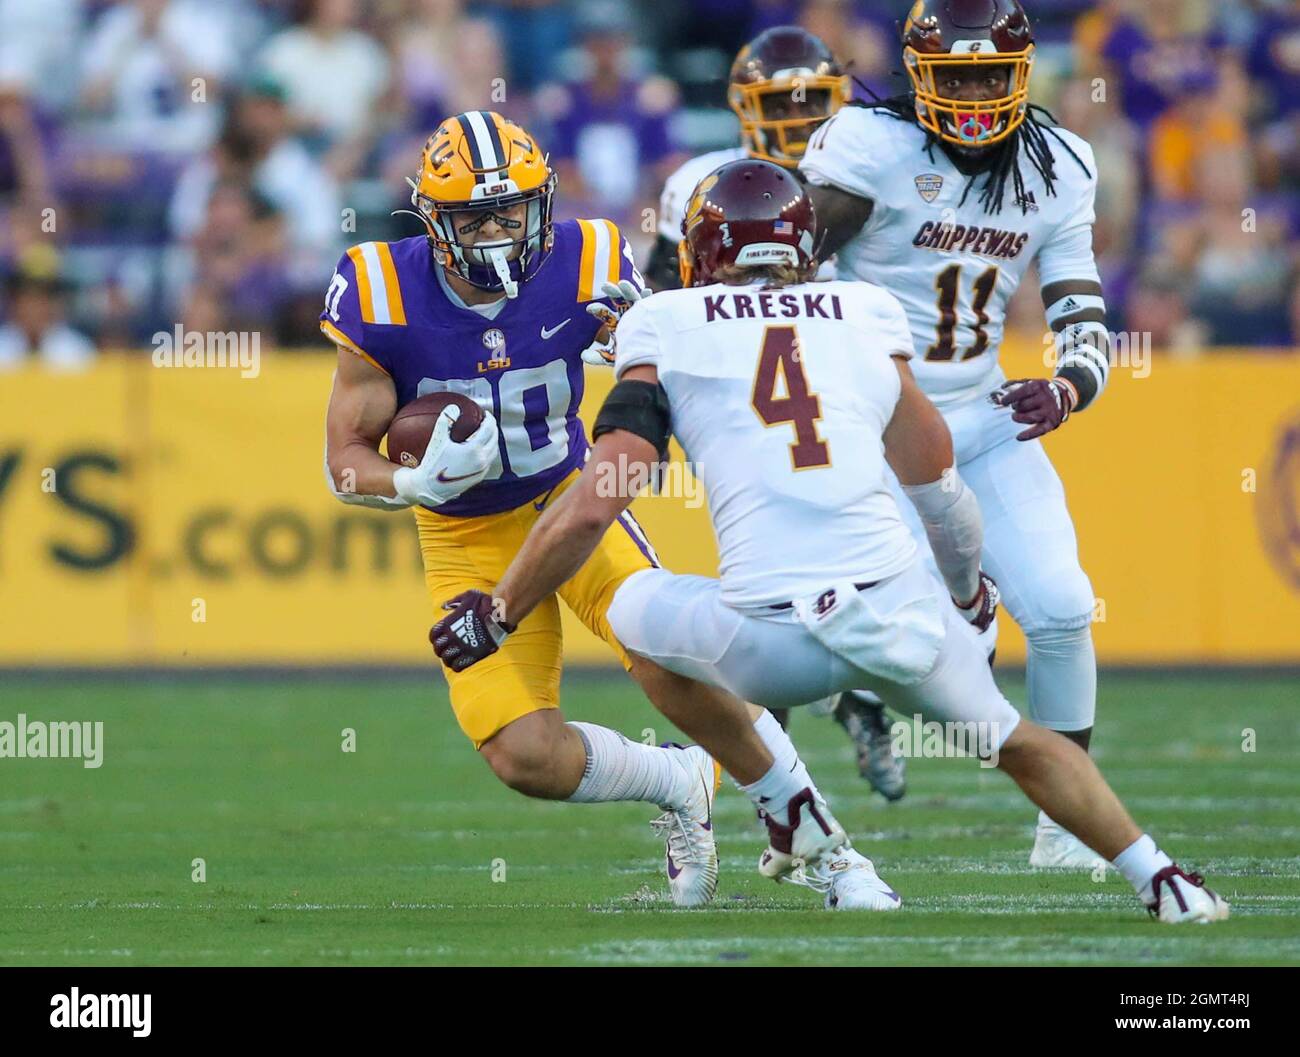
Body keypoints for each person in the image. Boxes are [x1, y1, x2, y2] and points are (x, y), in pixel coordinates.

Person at [433, 158, 1229, 925]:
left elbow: (595, 502)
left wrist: (499, 614)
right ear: (808, 248)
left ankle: (789, 805)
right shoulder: (864, 312)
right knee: (1020, 743)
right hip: (900, 620)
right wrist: (967, 598)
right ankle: (1162, 879)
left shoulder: (664, 321)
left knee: (640, 621)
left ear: (701, 255)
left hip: (768, 643)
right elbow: (939, 489)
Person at [321, 111, 883, 910]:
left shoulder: (591, 259)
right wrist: (408, 484)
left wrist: (631, 343)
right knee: (524, 756)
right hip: (463, 533)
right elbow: (344, 458)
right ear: (434, 221)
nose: (497, 232)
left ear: (540, 202)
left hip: (568, 499)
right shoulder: (380, 287)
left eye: (510, 210)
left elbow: (659, 367)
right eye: (474, 217)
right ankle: (678, 780)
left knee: (667, 660)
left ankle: (825, 847)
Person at [797, 0, 1111, 868]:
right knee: (875, 646)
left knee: (1059, 606)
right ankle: (784, 800)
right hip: (875, 430)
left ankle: (1070, 823)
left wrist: (1070, 385)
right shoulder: (871, 145)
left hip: (983, 417)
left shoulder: (1058, 164)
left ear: (1021, 75)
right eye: (956, 77)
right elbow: (794, 257)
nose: (974, 95)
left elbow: (1080, 306)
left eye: (989, 76)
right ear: (918, 76)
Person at [645, 24, 906, 801]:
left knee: (840, 576)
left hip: (835, 397)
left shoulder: (856, 166)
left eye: (811, 104)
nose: (795, 121)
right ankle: (829, 730)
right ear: (741, 108)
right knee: (771, 584)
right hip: (744, 394)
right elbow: (668, 285)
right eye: (777, 106)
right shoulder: (699, 178)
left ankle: (850, 712)